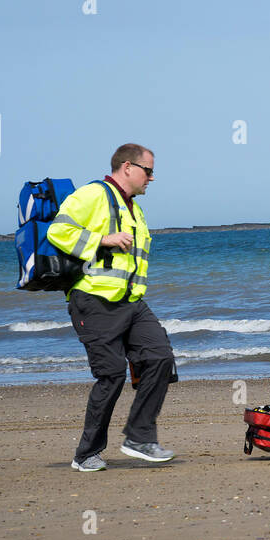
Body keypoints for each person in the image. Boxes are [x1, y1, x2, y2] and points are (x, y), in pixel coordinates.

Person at [47, 143, 176, 471]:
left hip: (132, 303)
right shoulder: (95, 194)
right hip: (93, 302)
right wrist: (102, 239)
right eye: (148, 171)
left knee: (160, 357)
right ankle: (86, 454)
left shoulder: (134, 207)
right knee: (112, 375)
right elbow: (58, 230)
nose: (151, 178)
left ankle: (138, 436)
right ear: (128, 167)